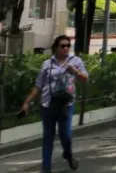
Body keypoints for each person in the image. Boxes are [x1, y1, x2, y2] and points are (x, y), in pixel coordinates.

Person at [20, 35, 88, 172]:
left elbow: (85, 79)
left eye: (68, 46)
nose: (66, 48)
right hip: (48, 104)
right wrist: (26, 103)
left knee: (66, 135)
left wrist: (75, 72)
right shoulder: (47, 64)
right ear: (55, 48)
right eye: (62, 46)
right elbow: (38, 86)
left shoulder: (75, 61)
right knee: (48, 137)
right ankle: (46, 168)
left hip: (65, 105)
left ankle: (68, 154)